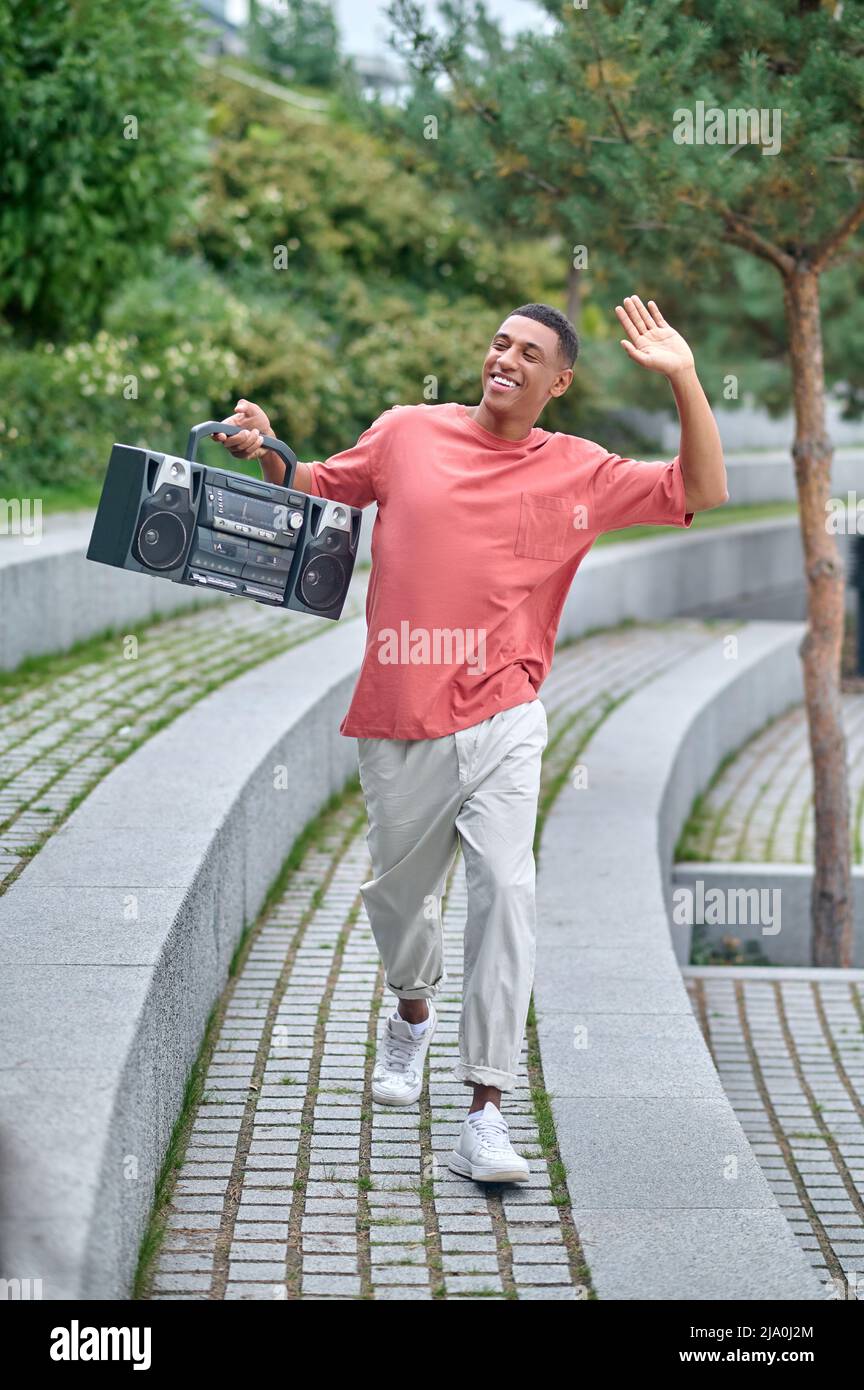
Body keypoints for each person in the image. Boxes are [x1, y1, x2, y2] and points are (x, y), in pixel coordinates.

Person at [214, 295, 727, 1184]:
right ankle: (410, 1010)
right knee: (399, 907)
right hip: (398, 713)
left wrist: (684, 375)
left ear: (558, 382)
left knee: (505, 891)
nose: (507, 360)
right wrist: (266, 447)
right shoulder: (408, 432)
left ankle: (484, 1111)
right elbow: (319, 487)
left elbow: (702, 491)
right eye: (499, 344)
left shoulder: (580, 470)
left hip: (505, 717)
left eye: (530, 354)